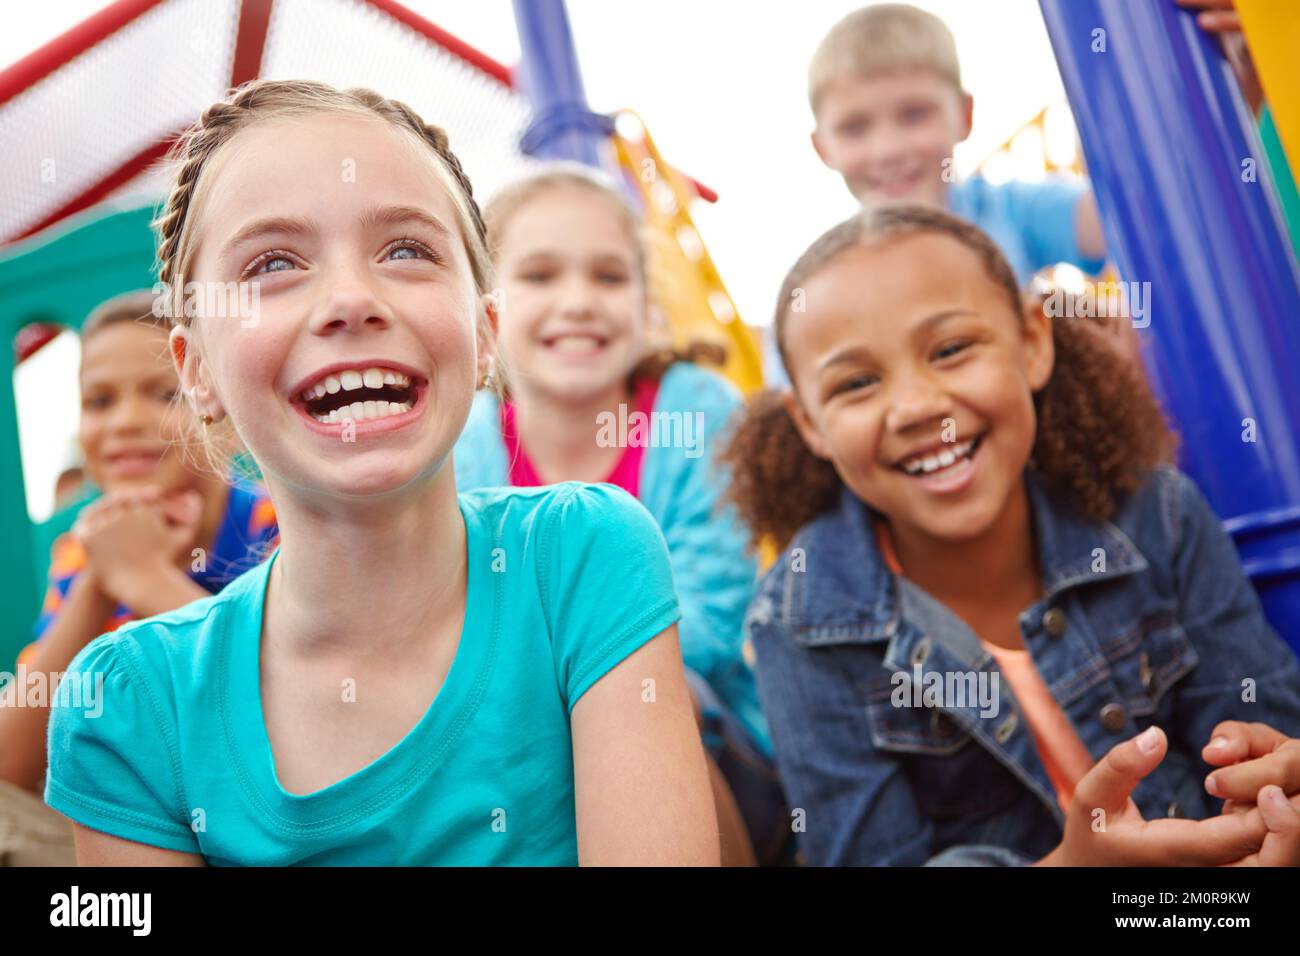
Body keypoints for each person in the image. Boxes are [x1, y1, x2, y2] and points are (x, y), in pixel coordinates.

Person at [44, 79, 718, 866]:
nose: (351, 298)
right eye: (272, 263)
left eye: (406, 251)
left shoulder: (580, 557)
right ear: (197, 372)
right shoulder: (128, 706)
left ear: (483, 333)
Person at [721, 203, 1300, 865]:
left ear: (1031, 342)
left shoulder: (1155, 512)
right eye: (857, 383)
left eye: (951, 349)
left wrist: (1261, 777)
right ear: (810, 423)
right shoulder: (797, 622)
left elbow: (1265, 711)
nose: (917, 407)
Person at [454, 165, 786, 865]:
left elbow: (707, 620)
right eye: (540, 276)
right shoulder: (464, 443)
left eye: (608, 278)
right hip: (506, 742)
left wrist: (544, 676)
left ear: (646, 303)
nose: (578, 301)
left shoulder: (695, 413)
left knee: (650, 694)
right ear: (486, 307)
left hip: (714, 739)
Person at [0, 290, 276, 865]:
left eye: (165, 394)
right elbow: (12, 767)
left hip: (265, 818)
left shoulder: (275, 524)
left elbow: (283, 704)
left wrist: (144, 576)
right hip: (138, 822)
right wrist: (101, 579)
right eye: (99, 401)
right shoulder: (83, 552)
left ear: (224, 416)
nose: (126, 423)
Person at [808, 3, 1107, 285]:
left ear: (964, 115)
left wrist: (1106, 129)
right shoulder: (827, 279)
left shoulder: (1009, 211)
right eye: (854, 129)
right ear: (822, 148)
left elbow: (1110, 220)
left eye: (914, 115)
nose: (888, 150)